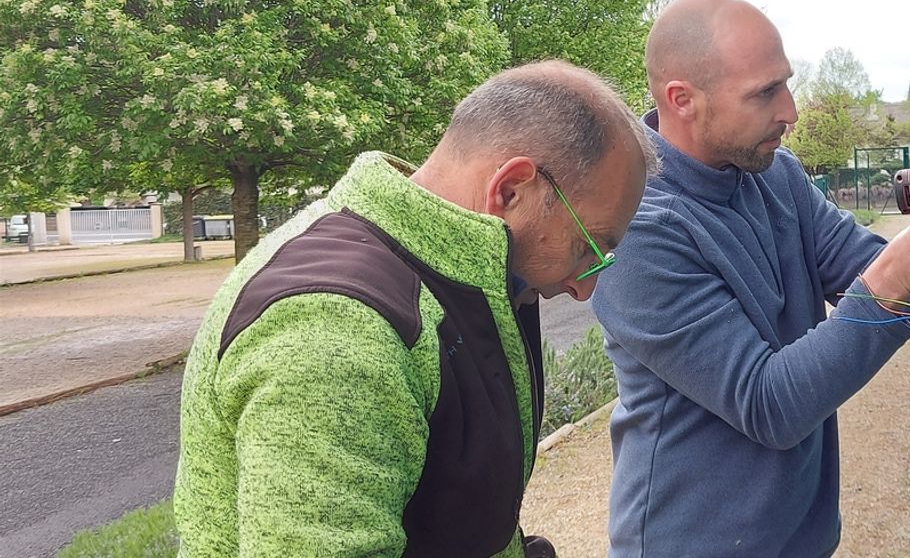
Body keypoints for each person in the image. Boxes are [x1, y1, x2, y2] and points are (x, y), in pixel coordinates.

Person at [174, 60, 657, 558]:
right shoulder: (337, 329)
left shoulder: (467, 269)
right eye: (588, 248)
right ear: (511, 190)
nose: (586, 288)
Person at [591, 0, 910, 557]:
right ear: (682, 100)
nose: (791, 112)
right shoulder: (637, 228)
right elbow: (767, 403)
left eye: (785, 83)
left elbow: (861, 261)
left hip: (800, 537)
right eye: (764, 93)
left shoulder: (775, 174)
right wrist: (895, 284)